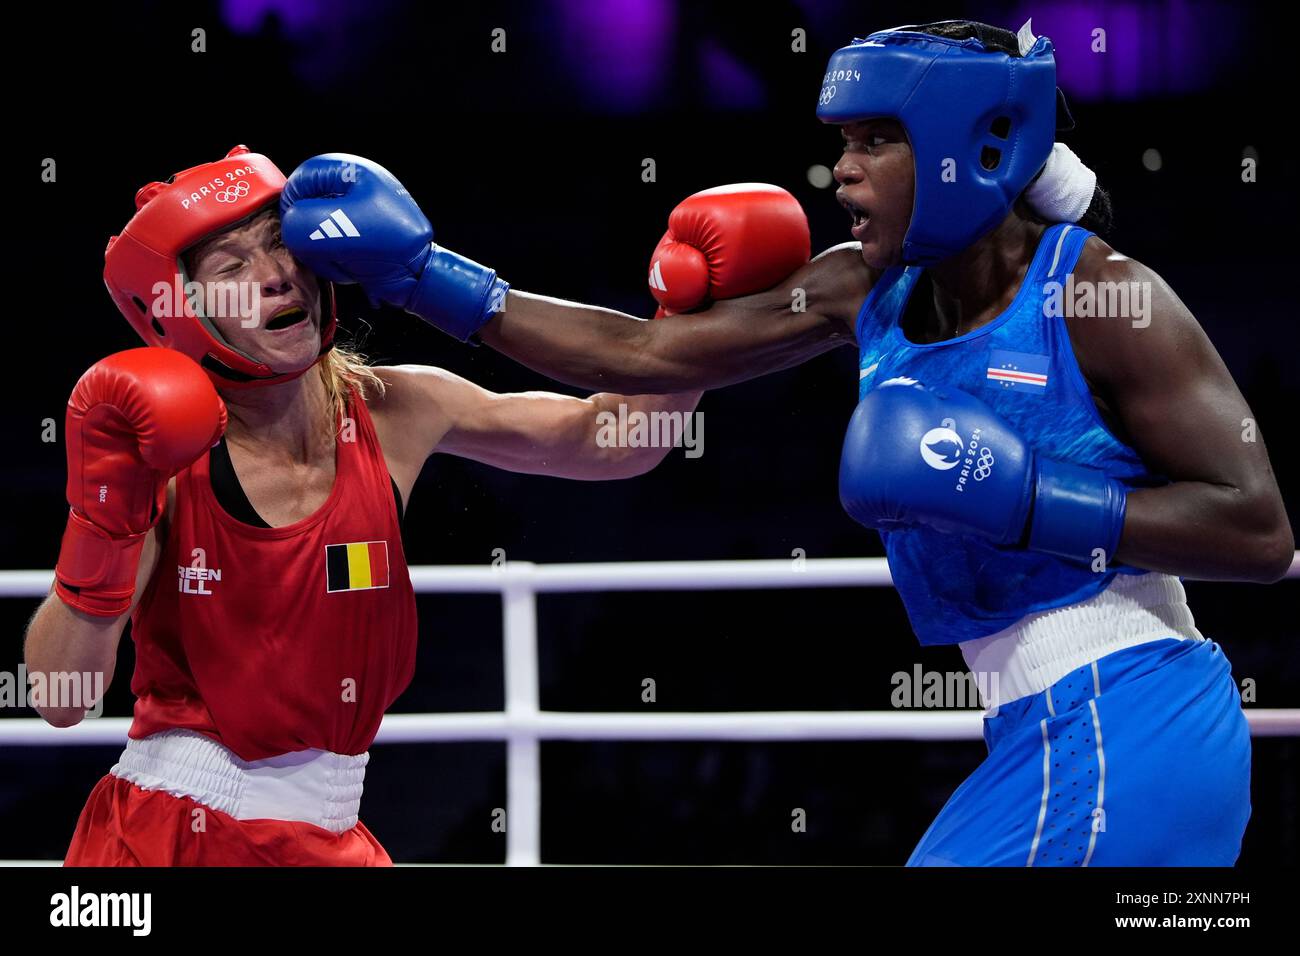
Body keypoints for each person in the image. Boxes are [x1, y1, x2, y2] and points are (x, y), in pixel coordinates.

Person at [280, 20, 1292, 865]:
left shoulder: (1104, 296)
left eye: (871, 142)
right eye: (841, 141)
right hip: (1041, 731)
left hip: (1131, 716)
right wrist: (424, 276)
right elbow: (643, 353)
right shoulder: (866, 286)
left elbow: (1259, 533)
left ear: (966, 144)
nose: (841, 172)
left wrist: (1026, 495)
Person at [23, 145, 710, 866]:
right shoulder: (163, 463)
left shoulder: (396, 409)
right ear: (180, 305)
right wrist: (102, 515)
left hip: (328, 832)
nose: (275, 277)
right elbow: (61, 698)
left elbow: (622, 442)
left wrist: (688, 324)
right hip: (170, 832)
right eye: (231, 268)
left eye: (280, 246)